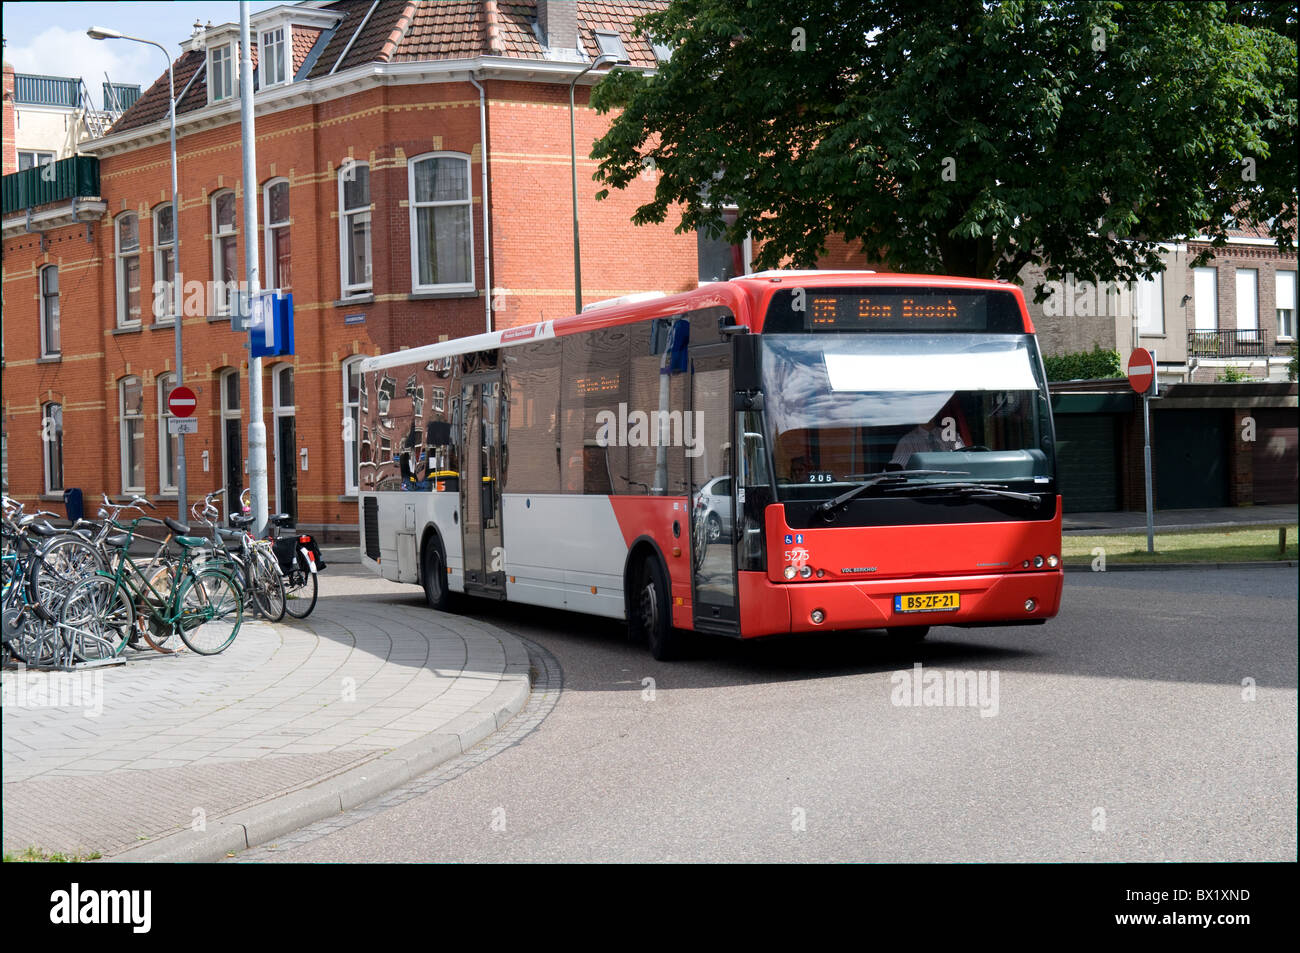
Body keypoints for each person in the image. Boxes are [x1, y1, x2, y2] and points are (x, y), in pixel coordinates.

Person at [890, 406, 965, 466]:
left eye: (930, 412)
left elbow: (964, 459)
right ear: (915, 416)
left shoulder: (951, 435)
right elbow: (896, 468)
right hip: (924, 483)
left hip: (952, 480)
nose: (927, 416)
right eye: (922, 413)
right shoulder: (907, 442)